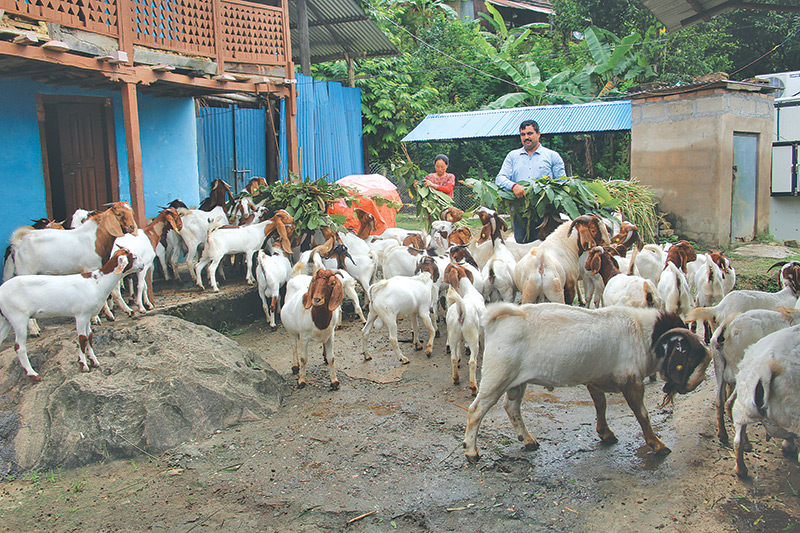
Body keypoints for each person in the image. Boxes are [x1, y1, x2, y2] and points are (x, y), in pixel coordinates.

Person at [495, 120, 566, 243]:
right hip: (521, 212)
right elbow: (500, 178)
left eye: (530, 133)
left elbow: (562, 183)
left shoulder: (552, 156)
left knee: (545, 248)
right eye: (523, 134)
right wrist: (514, 186)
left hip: (545, 214)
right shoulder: (513, 156)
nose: (526, 137)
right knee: (522, 248)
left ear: (538, 134)